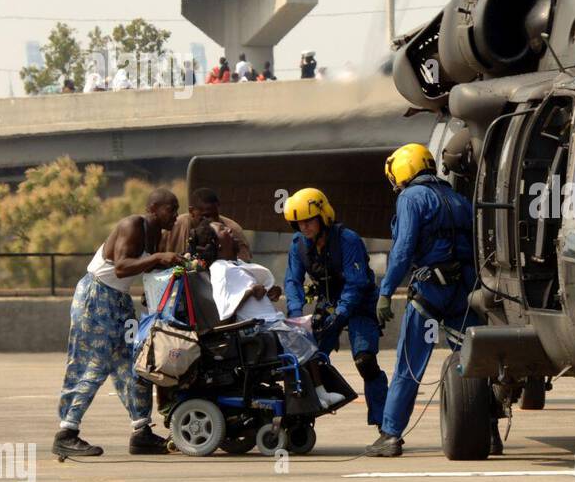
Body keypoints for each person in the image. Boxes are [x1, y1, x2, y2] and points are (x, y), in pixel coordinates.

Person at [52, 188, 184, 457]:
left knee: (135, 363)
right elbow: (123, 266)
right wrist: (159, 258)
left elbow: (144, 266)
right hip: (97, 295)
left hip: (119, 300)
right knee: (94, 363)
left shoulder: (155, 233)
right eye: (171, 208)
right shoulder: (132, 225)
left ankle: (141, 432)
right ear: (153, 208)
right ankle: (66, 432)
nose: (175, 214)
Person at [368, 144, 481, 458]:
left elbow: (403, 250)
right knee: (472, 364)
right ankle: (489, 431)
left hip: (429, 294)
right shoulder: (461, 201)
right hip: (463, 293)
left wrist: (386, 292)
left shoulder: (410, 198)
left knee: (409, 365)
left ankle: (390, 435)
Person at [191, 221, 344, 409]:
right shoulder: (220, 269)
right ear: (218, 244)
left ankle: (320, 393)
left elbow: (246, 294)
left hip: (268, 323)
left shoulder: (234, 265)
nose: (230, 229)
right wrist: (249, 292)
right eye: (223, 230)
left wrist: (267, 293)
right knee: (297, 336)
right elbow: (225, 310)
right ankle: (315, 395)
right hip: (256, 330)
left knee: (307, 330)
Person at [283, 188, 389, 425]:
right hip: (329, 305)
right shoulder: (298, 245)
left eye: (309, 220)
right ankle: (302, 420)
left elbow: (356, 283)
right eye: (299, 222)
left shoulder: (348, 240)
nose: (304, 227)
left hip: (360, 305)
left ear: (323, 216)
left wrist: (342, 313)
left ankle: (386, 425)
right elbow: (292, 281)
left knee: (365, 361)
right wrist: (297, 316)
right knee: (307, 359)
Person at [164, 187, 252, 261]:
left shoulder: (231, 230)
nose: (211, 221)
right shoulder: (175, 225)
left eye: (215, 216)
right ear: (191, 211)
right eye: (205, 216)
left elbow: (243, 263)